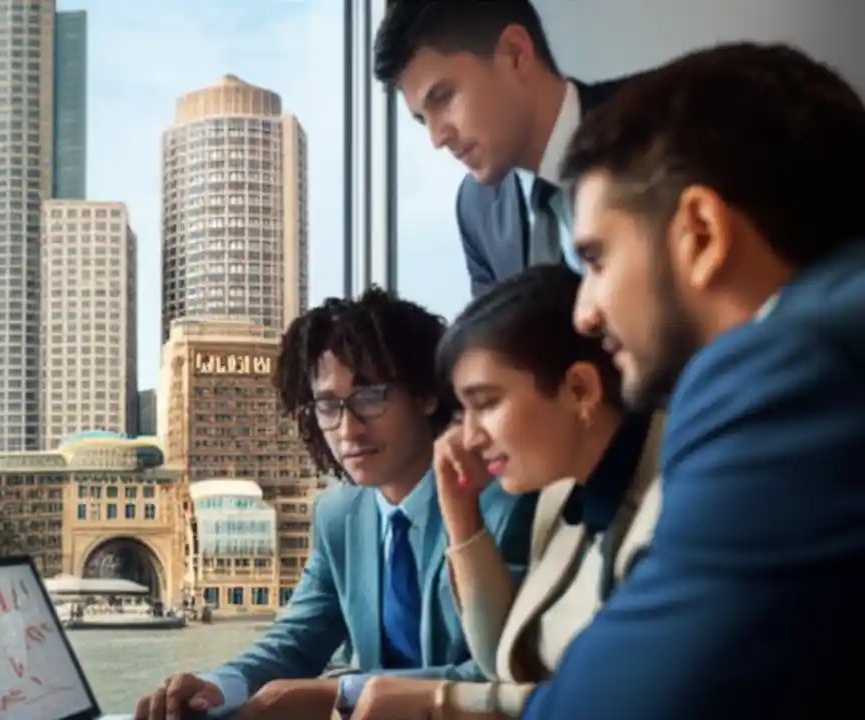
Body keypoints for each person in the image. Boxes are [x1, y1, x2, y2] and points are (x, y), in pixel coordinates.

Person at [517, 42, 865, 718]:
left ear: (701, 233)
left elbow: (611, 704)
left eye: (595, 258)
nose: (584, 313)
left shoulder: (791, 374)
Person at [132, 288, 537, 720]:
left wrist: (341, 692)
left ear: (426, 394)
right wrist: (218, 685)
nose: (348, 429)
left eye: (370, 396)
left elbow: (505, 673)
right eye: (328, 405)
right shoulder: (339, 513)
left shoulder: (504, 503)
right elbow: (298, 638)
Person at [350, 265, 662, 719]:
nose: (468, 437)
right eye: (463, 411)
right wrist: (459, 510)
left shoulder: (680, 497)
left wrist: (442, 702)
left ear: (580, 389)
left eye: (486, 403)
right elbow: (504, 659)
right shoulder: (560, 494)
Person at [373, 0, 634, 296]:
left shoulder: (662, 120)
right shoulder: (476, 209)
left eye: (443, 97)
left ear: (514, 53)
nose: (437, 138)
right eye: (422, 119)